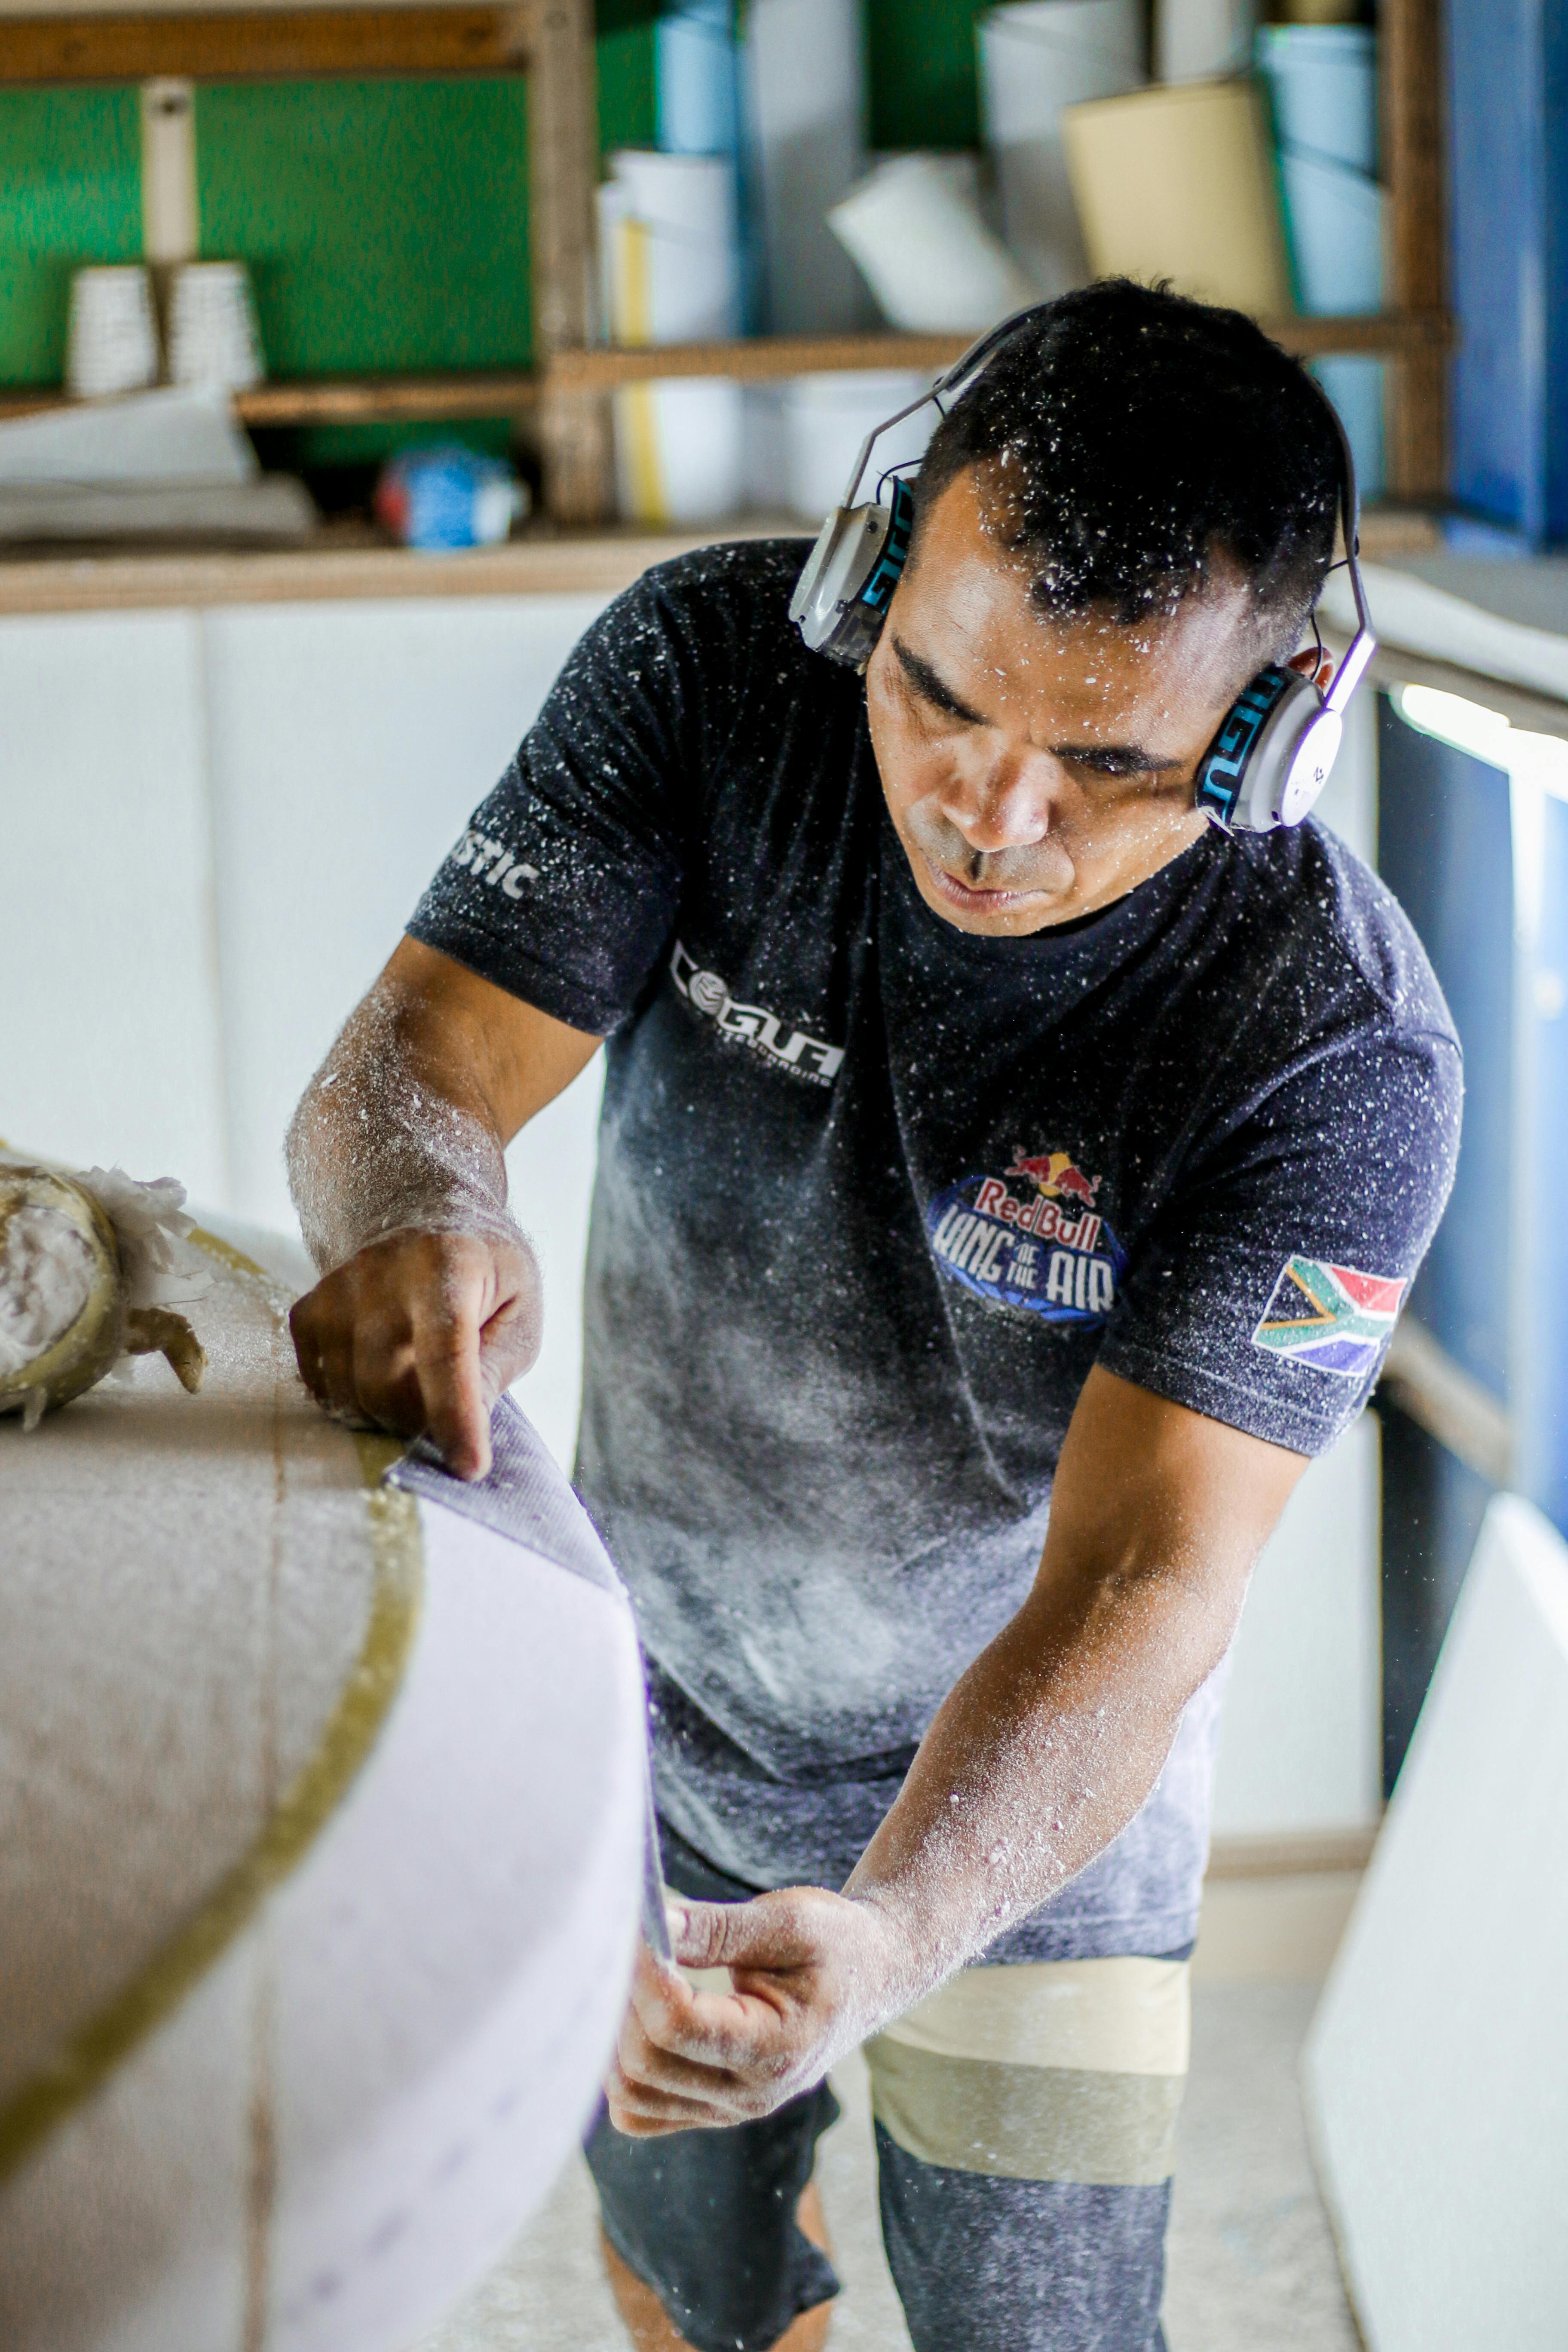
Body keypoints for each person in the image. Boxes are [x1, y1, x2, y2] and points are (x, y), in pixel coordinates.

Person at [286, 282, 1461, 2352]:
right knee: (695, 2295)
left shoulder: (1329, 1050)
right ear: (870, 576)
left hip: (1035, 1819)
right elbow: (418, 1063)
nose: (988, 819)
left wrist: (911, 1919)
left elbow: (1147, 1577)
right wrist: (417, 1205)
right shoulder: (711, 672)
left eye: (1108, 762)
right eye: (935, 699)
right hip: (647, 1737)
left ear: (1278, 725)